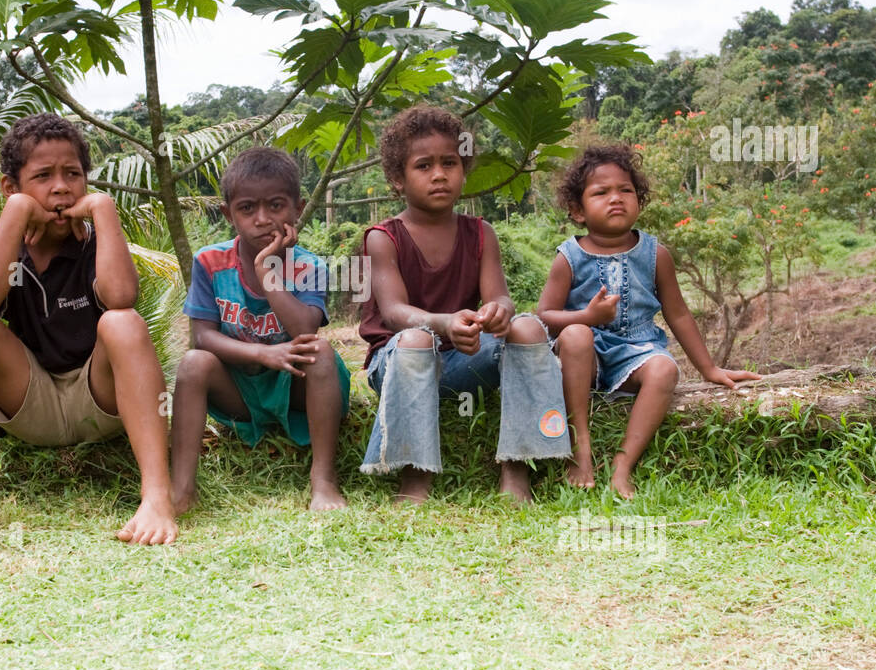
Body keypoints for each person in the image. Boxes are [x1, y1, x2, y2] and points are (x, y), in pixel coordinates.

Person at [0, 113, 179, 545]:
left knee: (124, 323)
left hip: (98, 401)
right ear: (12, 187)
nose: (61, 187)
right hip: (30, 404)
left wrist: (103, 210)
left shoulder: (95, 249)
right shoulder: (2, 255)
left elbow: (121, 297)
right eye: (42, 176)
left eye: (73, 175)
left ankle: (157, 495)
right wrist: (17, 214)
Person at [359, 106, 570, 503]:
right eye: (423, 165)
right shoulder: (383, 237)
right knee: (417, 341)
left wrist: (498, 312)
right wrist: (442, 323)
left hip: (462, 359)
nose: (439, 175)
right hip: (398, 362)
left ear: (464, 169)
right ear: (396, 178)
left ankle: (518, 464)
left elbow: (499, 296)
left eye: (450, 163)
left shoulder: (480, 233)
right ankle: (414, 475)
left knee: (526, 327)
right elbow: (393, 312)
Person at [537, 143, 761, 499]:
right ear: (578, 210)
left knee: (665, 370)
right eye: (602, 192)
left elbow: (678, 313)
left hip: (637, 350)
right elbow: (544, 318)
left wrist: (709, 369)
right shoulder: (569, 256)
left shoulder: (655, 254)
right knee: (577, 335)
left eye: (626, 190)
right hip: (584, 357)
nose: (616, 198)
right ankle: (580, 447)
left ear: (639, 200)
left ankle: (623, 465)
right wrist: (587, 317)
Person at [171, 147, 350, 512]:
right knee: (192, 363)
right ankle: (181, 488)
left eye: (276, 205)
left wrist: (268, 270)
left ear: (297, 209)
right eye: (247, 208)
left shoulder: (309, 266)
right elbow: (202, 337)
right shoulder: (209, 261)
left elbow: (305, 331)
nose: (262, 219)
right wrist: (262, 353)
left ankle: (324, 479)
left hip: (293, 385)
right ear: (228, 214)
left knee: (322, 353)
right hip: (240, 387)